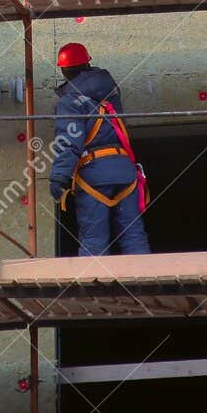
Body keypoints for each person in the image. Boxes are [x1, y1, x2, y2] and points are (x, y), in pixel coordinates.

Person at [48, 42, 150, 256]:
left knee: (94, 239)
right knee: (133, 235)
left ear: (64, 70)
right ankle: (142, 285)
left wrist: (59, 177)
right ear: (87, 63)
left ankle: (94, 288)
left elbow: (68, 142)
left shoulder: (70, 101)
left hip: (95, 172)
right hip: (125, 169)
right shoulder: (111, 90)